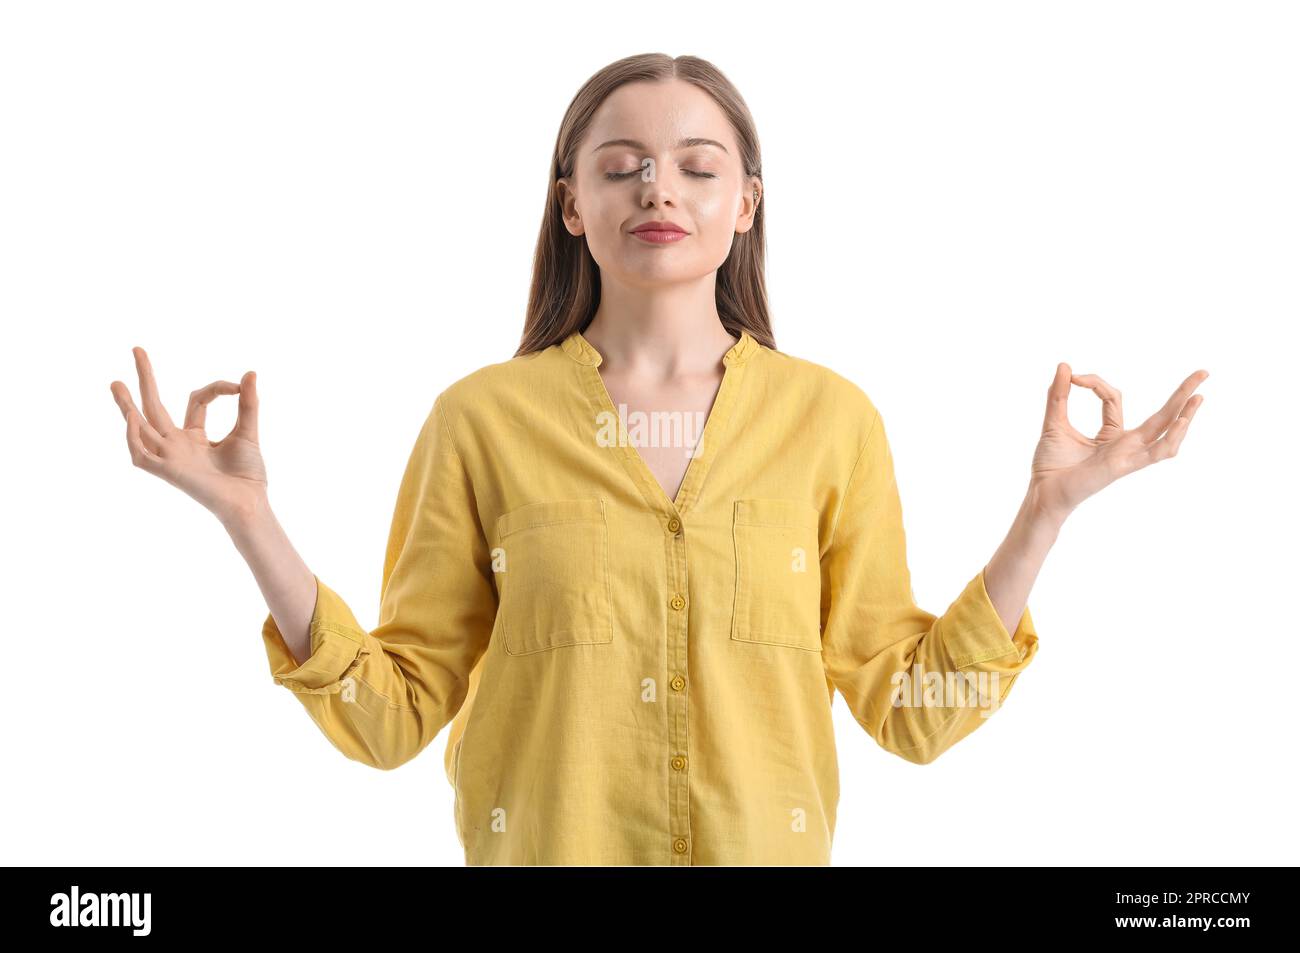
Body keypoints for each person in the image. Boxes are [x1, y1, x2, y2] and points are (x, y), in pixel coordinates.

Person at [109, 53, 1207, 866]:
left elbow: (914, 710)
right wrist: (247, 516)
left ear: (744, 205)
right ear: (572, 207)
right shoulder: (480, 421)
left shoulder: (832, 422)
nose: (658, 188)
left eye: (695, 165)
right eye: (622, 166)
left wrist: (1046, 513)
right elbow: (388, 715)